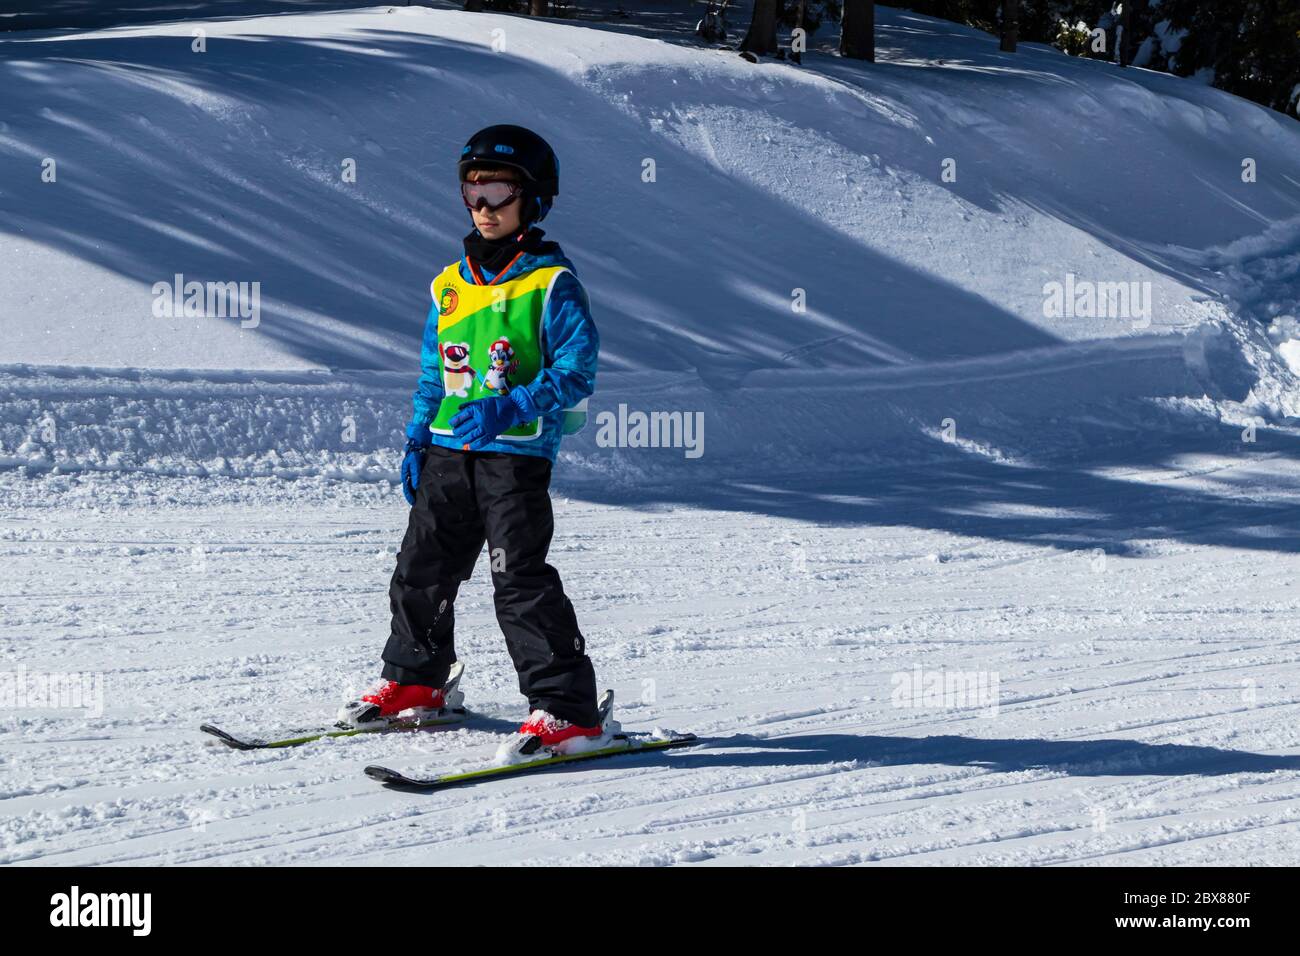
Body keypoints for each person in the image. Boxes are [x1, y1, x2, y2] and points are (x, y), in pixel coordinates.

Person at [340, 125, 603, 749]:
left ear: (532, 201)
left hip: (514, 456)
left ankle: (568, 708)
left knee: (518, 579)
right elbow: (434, 369)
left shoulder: (551, 284)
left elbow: (577, 372)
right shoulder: (449, 284)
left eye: (499, 192)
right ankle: (416, 679)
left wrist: (510, 403)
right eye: (472, 191)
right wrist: (415, 437)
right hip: (446, 450)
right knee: (421, 568)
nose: (483, 207)